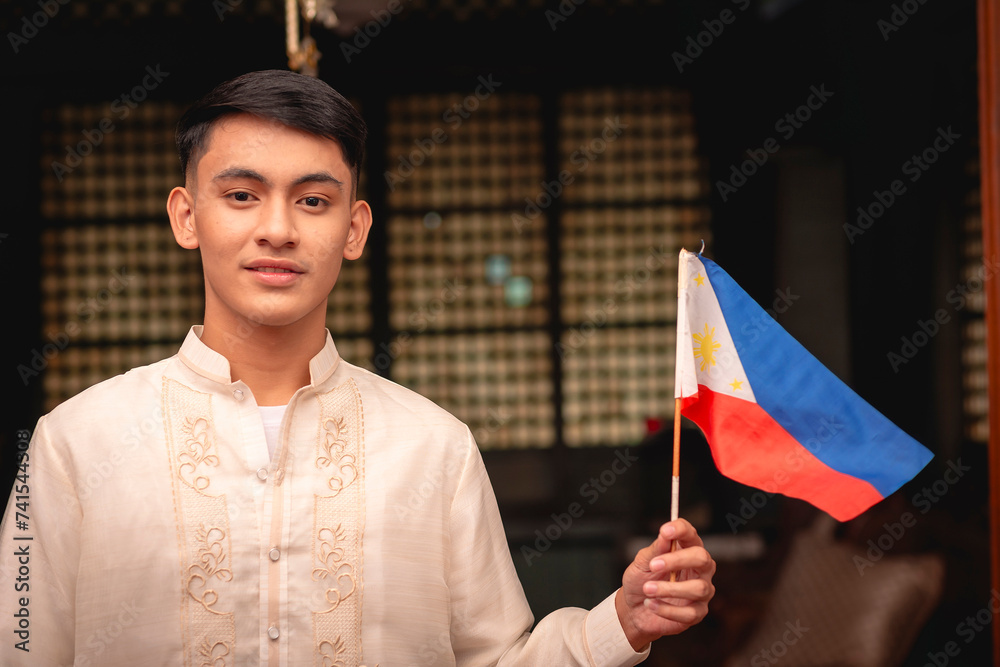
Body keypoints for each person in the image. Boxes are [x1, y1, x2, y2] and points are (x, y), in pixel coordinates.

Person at [0, 69, 715, 666]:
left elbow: (496, 660)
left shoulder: (433, 447)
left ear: (355, 228)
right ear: (187, 217)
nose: (277, 229)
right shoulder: (74, 443)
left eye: (313, 201)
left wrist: (624, 622)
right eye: (242, 195)